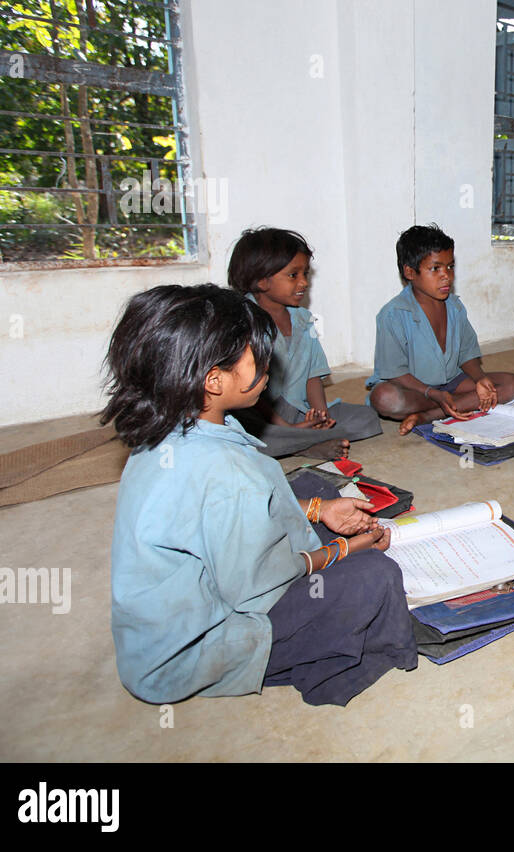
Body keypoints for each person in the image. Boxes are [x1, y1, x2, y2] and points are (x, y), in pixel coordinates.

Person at [103, 284, 416, 707]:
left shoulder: (167, 428)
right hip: (188, 654)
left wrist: (318, 509)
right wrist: (344, 549)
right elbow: (264, 584)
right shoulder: (226, 474)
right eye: (257, 357)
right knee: (374, 576)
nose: (268, 367)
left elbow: (229, 512)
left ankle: (322, 518)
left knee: (308, 487)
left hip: (159, 633)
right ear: (213, 379)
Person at [226, 227, 382, 458]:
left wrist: (321, 415)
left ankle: (302, 440)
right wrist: (286, 427)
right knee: (240, 432)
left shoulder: (304, 320)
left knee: (367, 418)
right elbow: (247, 392)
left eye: (305, 274)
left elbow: (313, 376)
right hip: (261, 413)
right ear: (261, 281)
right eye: (293, 275)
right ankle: (304, 444)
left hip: (300, 411)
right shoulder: (243, 323)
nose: (303, 283)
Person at [368, 223, 514, 434]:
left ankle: (431, 415)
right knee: (384, 398)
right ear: (410, 272)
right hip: (416, 389)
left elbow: (467, 353)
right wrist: (432, 393)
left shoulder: (455, 306)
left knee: (512, 384)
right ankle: (455, 404)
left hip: (452, 382)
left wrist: (479, 379)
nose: (446, 276)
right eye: (435, 268)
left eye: (450, 267)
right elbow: (394, 372)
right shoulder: (394, 314)